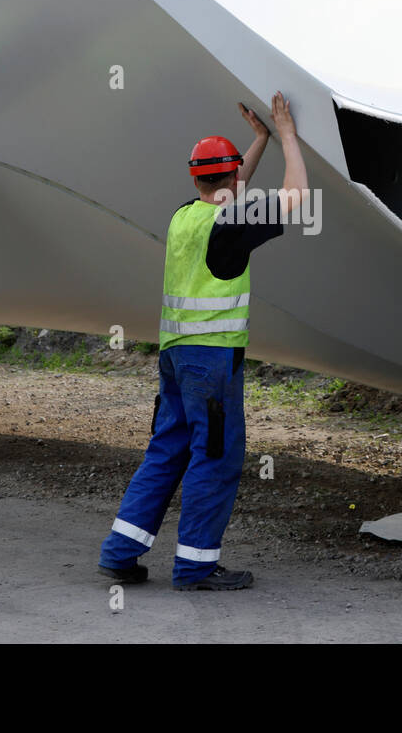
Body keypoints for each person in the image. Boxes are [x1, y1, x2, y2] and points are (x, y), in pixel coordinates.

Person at [98, 94, 308, 590]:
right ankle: (194, 566)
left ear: (195, 180)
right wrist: (288, 135)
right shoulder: (230, 221)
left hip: (174, 358)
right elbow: (296, 196)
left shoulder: (183, 217)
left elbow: (232, 189)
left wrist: (259, 140)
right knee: (215, 456)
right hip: (212, 363)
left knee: (167, 451)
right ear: (232, 181)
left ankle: (120, 553)